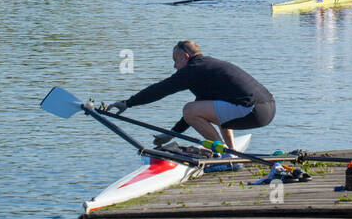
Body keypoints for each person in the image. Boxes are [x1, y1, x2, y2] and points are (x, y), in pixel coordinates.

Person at [110, 40, 275, 152]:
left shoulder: (193, 70)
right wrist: (172, 133)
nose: (174, 65)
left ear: (185, 56)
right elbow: (201, 108)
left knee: (189, 109)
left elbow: (160, 90)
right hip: (267, 109)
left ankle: (226, 156)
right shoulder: (208, 66)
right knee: (213, 109)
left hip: (252, 110)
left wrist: (128, 103)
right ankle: (231, 152)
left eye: (175, 60)